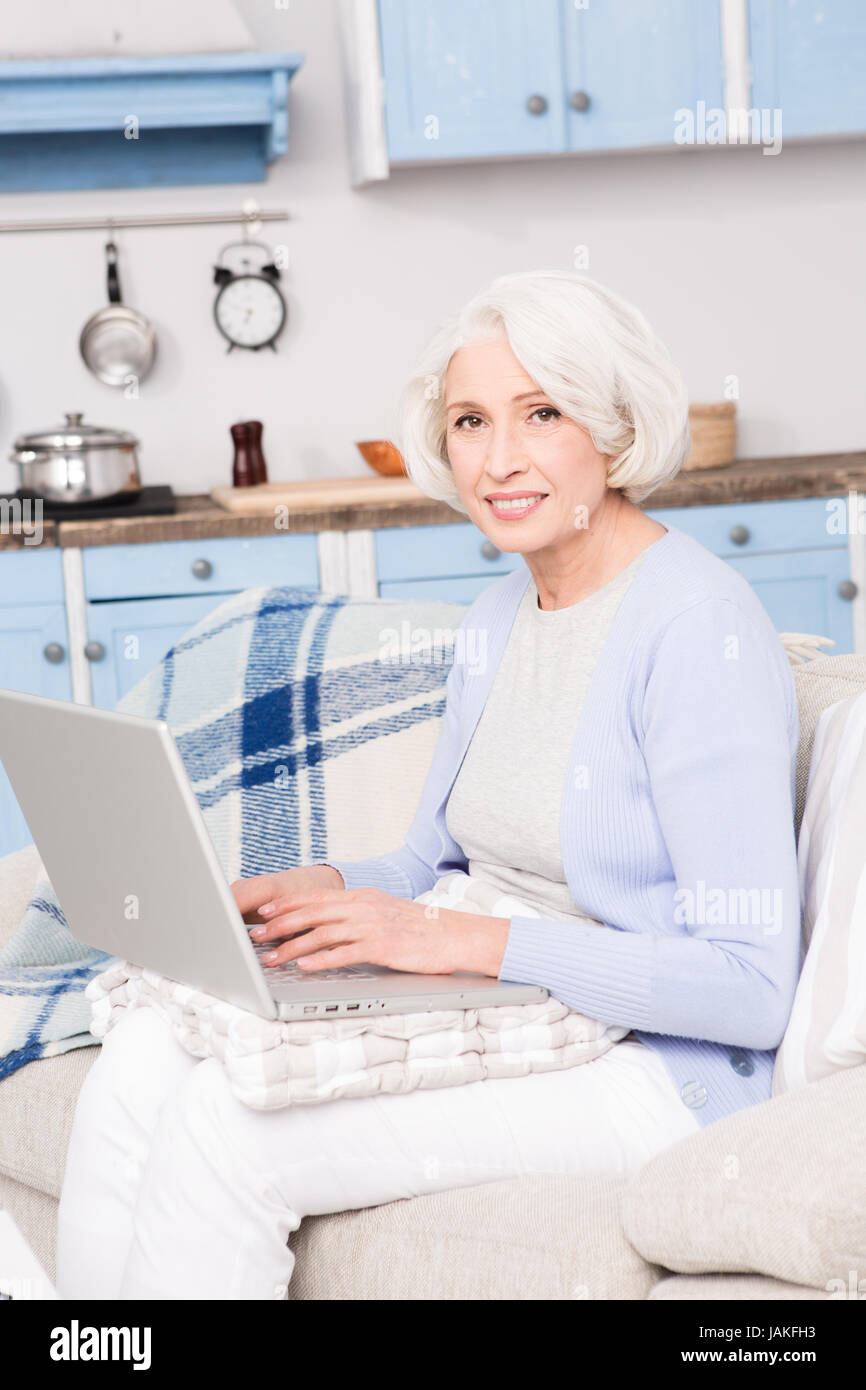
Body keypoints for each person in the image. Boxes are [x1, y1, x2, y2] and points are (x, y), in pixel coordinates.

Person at [55, 271, 800, 1300]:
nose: (496, 459)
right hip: (506, 999)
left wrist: (464, 942)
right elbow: (427, 864)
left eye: (540, 413)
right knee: (137, 1058)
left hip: (649, 1067)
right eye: (469, 420)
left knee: (229, 1130)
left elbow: (750, 988)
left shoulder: (695, 630)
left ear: (617, 429)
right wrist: (305, 885)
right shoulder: (500, 616)